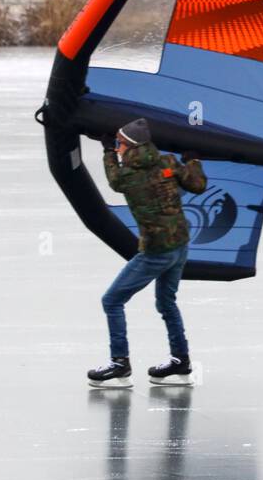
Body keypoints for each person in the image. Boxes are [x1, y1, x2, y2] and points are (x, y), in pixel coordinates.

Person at [87, 118, 207, 388]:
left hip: (157, 251)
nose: (117, 148)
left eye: (119, 144)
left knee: (112, 300)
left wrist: (106, 152)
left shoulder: (127, 174)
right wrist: (193, 160)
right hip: (180, 245)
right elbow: (197, 185)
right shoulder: (167, 162)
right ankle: (181, 362)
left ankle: (120, 364)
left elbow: (114, 180)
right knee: (166, 304)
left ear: (130, 147)